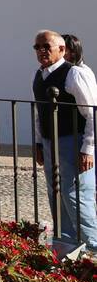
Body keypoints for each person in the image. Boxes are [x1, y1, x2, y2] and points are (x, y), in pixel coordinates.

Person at [32, 30, 97, 254]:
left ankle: (93, 250)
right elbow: (41, 113)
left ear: (61, 50)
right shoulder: (39, 76)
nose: (41, 51)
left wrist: (88, 149)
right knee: (56, 195)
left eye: (46, 47)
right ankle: (67, 251)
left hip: (73, 142)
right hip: (51, 144)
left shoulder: (74, 74)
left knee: (77, 197)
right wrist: (40, 144)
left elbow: (91, 113)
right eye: (37, 47)